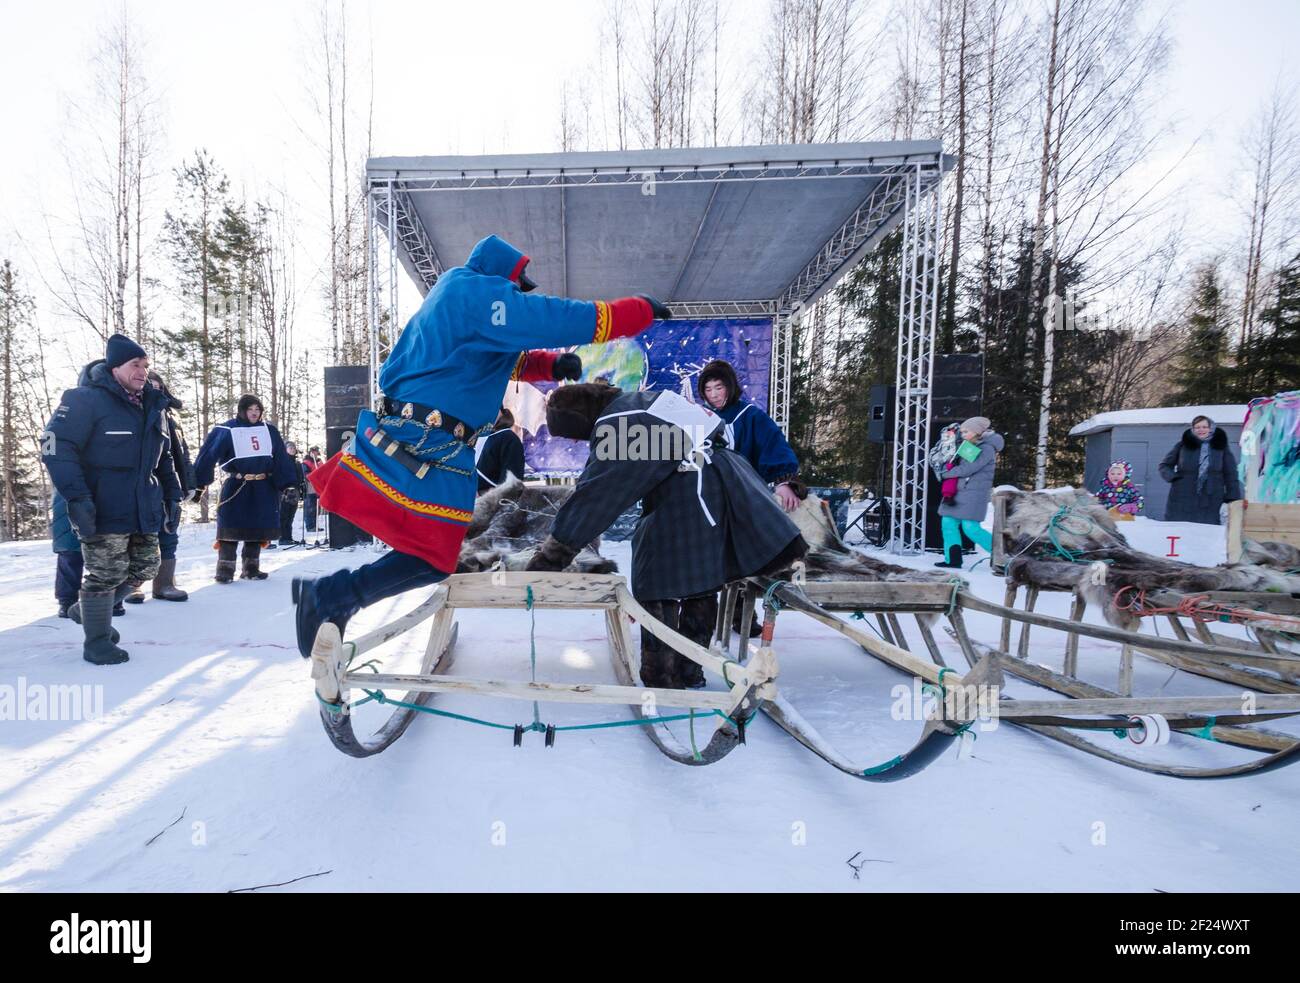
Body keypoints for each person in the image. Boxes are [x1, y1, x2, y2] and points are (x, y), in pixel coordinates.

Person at [295, 233, 667, 659]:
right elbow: (553, 318)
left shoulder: (456, 299)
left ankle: (336, 596)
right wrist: (634, 312)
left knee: (430, 551)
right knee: (433, 553)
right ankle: (334, 595)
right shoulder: (473, 289)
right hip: (427, 443)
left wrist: (548, 364)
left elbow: (487, 354)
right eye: (518, 288)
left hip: (425, 441)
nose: (519, 295)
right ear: (504, 278)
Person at [525, 382, 807, 689]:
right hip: (720, 483)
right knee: (702, 579)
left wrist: (555, 552)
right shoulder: (646, 401)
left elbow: (597, 493)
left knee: (655, 578)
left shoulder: (621, 421)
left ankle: (662, 675)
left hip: (692, 489)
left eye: (571, 434)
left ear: (579, 419)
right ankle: (690, 669)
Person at [41, 334, 182, 665]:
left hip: (142, 504)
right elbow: (52, 446)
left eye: (146, 366)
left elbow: (164, 459)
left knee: (146, 566)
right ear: (115, 367)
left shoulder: (152, 405)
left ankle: (88, 610)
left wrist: (173, 496)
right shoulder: (83, 399)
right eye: (136, 365)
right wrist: (76, 497)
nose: (143, 372)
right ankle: (97, 642)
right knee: (105, 573)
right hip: (101, 504)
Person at [193, 394, 298, 582]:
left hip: (263, 486)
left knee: (257, 528)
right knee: (230, 528)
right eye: (250, 409)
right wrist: (199, 483)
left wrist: (288, 485)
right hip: (237, 485)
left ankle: (251, 568)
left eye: (257, 410)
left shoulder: (269, 431)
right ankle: (225, 570)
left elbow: (281, 459)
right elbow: (208, 455)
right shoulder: (227, 429)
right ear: (242, 411)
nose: (254, 413)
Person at [124, 371, 195, 603]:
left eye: (158, 386)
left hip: (168, 482)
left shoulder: (172, 417)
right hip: (140, 484)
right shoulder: (133, 414)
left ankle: (164, 583)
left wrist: (189, 484)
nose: (153, 390)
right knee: (138, 536)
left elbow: (180, 454)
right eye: (149, 386)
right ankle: (133, 586)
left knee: (168, 532)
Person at [697, 359, 805, 511]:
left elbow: (774, 446)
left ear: (730, 386)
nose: (713, 395)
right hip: (708, 497)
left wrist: (783, 483)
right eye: (708, 390)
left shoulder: (751, 416)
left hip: (745, 497)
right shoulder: (700, 417)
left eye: (718, 387)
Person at [933, 416, 1002, 569]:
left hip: (974, 494)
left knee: (971, 528)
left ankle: (1002, 557)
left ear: (976, 431)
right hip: (959, 492)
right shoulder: (969, 444)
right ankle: (953, 560)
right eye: (962, 431)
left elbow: (968, 469)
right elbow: (957, 463)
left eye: (966, 431)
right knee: (948, 523)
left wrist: (944, 474)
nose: (962, 434)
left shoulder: (987, 448)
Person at [1158, 415, 1242, 524]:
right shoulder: (1182, 445)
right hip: (1183, 494)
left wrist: (1232, 496)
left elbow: (1231, 473)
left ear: (1211, 428)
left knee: (1207, 529)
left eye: (1204, 427)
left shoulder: (1221, 447)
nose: (1201, 430)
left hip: (1212, 495)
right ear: (1193, 429)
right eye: (1197, 427)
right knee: (1180, 528)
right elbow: (1164, 465)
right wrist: (1173, 477)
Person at [50, 492, 87, 619]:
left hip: (105, 491)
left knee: (107, 552)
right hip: (69, 496)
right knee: (69, 551)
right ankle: (67, 601)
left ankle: (110, 599)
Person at [475, 407, 527, 493]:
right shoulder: (476, 437)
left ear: (500, 410)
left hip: (491, 500)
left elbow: (511, 481)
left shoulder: (509, 438)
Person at [273, 441, 307, 546]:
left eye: (293, 448)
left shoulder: (297, 463)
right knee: (284, 515)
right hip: (285, 492)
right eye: (290, 448)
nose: (292, 449)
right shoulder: (281, 461)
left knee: (291, 515)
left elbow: (300, 477)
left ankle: (289, 537)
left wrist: (302, 488)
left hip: (295, 491)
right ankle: (283, 538)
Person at [302, 446, 321, 532]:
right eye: (313, 451)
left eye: (316, 451)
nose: (314, 453)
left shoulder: (319, 462)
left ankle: (315, 525)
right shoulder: (306, 463)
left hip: (317, 487)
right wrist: (314, 476)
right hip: (310, 487)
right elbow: (306, 474)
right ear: (310, 452)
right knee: (310, 507)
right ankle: (310, 526)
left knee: (316, 507)